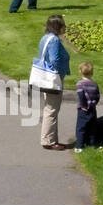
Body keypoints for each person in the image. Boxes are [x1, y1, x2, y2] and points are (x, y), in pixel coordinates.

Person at [33, 16, 72, 150]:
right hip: (53, 80)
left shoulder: (45, 38)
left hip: (46, 79)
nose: (64, 28)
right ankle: (48, 140)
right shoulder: (54, 40)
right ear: (58, 26)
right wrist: (58, 74)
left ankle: (51, 138)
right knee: (52, 110)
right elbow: (54, 60)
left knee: (49, 108)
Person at [74, 62, 100, 153]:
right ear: (92, 72)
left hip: (83, 109)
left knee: (81, 127)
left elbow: (81, 96)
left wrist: (84, 105)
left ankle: (79, 145)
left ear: (80, 72)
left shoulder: (80, 84)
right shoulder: (94, 84)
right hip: (93, 109)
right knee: (92, 127)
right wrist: (94, 104)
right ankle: (92, 144)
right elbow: (97, 96)